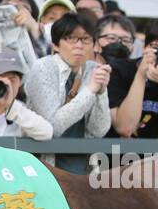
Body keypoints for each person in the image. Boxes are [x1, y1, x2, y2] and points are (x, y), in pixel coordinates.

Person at [24, 12, 111, 140]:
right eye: (71, 38)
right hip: (44, 157)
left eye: (86, 39)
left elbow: (98, 131)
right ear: (55, 45)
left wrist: (101, 93)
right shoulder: (44, 67)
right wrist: (91, 90)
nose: (79, 45)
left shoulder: (93, 69)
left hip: (79, 156)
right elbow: (52, 127)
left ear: (94, 45)